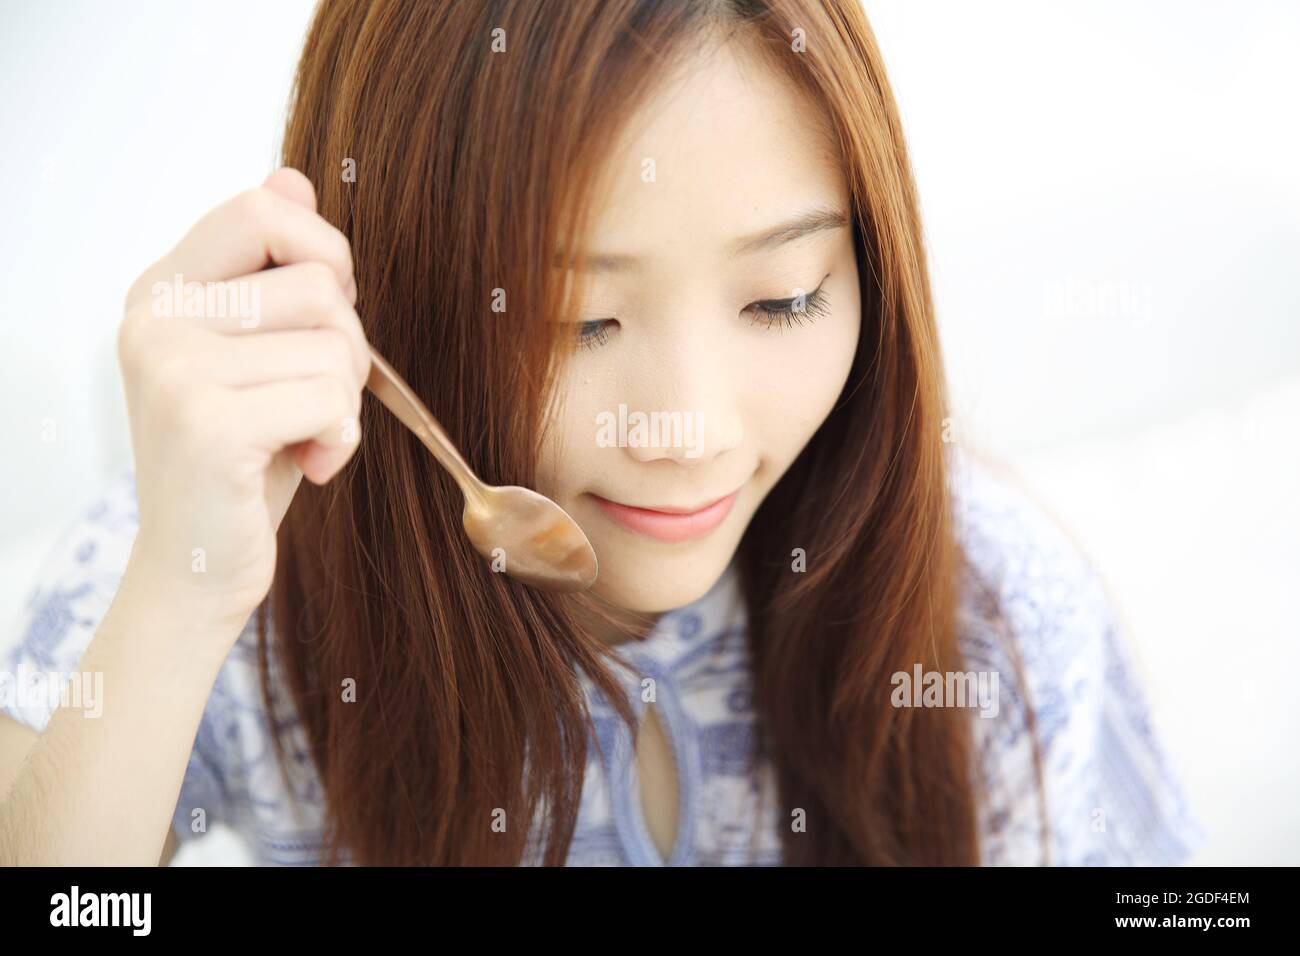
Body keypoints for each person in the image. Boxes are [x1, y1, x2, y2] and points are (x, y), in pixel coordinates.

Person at [0, 0, 1204, 866]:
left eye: (782, 298)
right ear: (385, 297)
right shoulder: (205, 563)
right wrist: (177, 598)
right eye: (573, 318)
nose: (688, 428)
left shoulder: (987, 611)